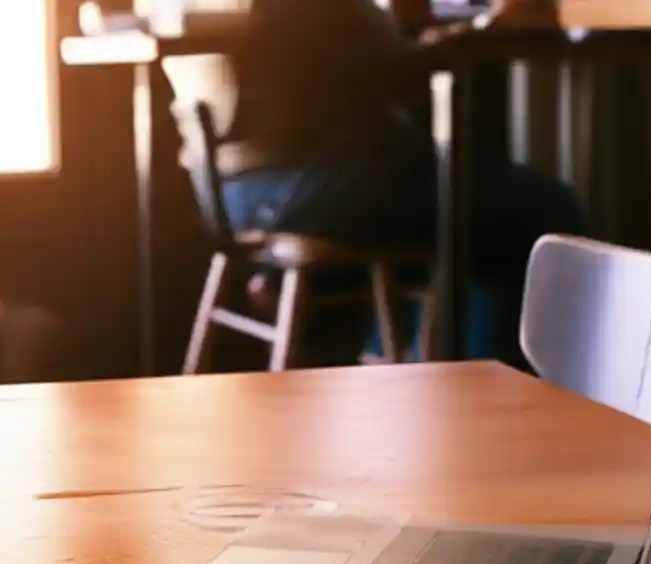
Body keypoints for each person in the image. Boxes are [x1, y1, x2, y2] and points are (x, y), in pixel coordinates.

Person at [164, 0, 586, 366]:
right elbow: (396, 76)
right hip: (308, 181)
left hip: (236, 189)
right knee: (539, 210)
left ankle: (419, 373)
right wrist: (485, 31)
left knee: (462, 205)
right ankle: (486, 394)